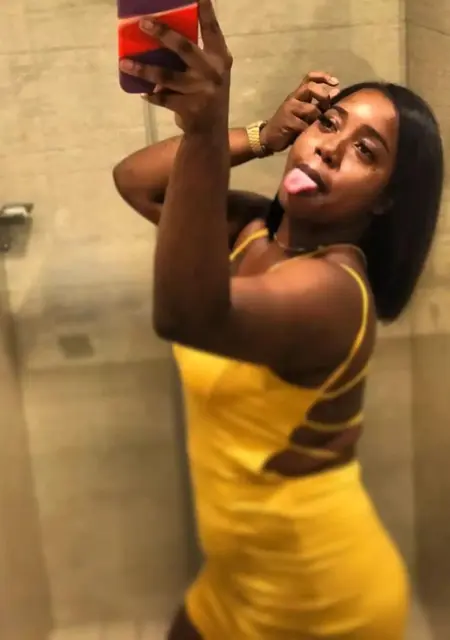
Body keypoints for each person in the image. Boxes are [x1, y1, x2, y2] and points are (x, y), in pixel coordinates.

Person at [113, 1, 444, 637]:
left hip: (322, 600)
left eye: (364, 151)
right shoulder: (248, 231)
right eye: (328, 122)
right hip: (237, 577)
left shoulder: (335, 292)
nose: (328, 149)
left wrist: (207, 126)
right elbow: (137, 181)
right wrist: (263, 134)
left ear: (386, 200)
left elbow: (187, 315)